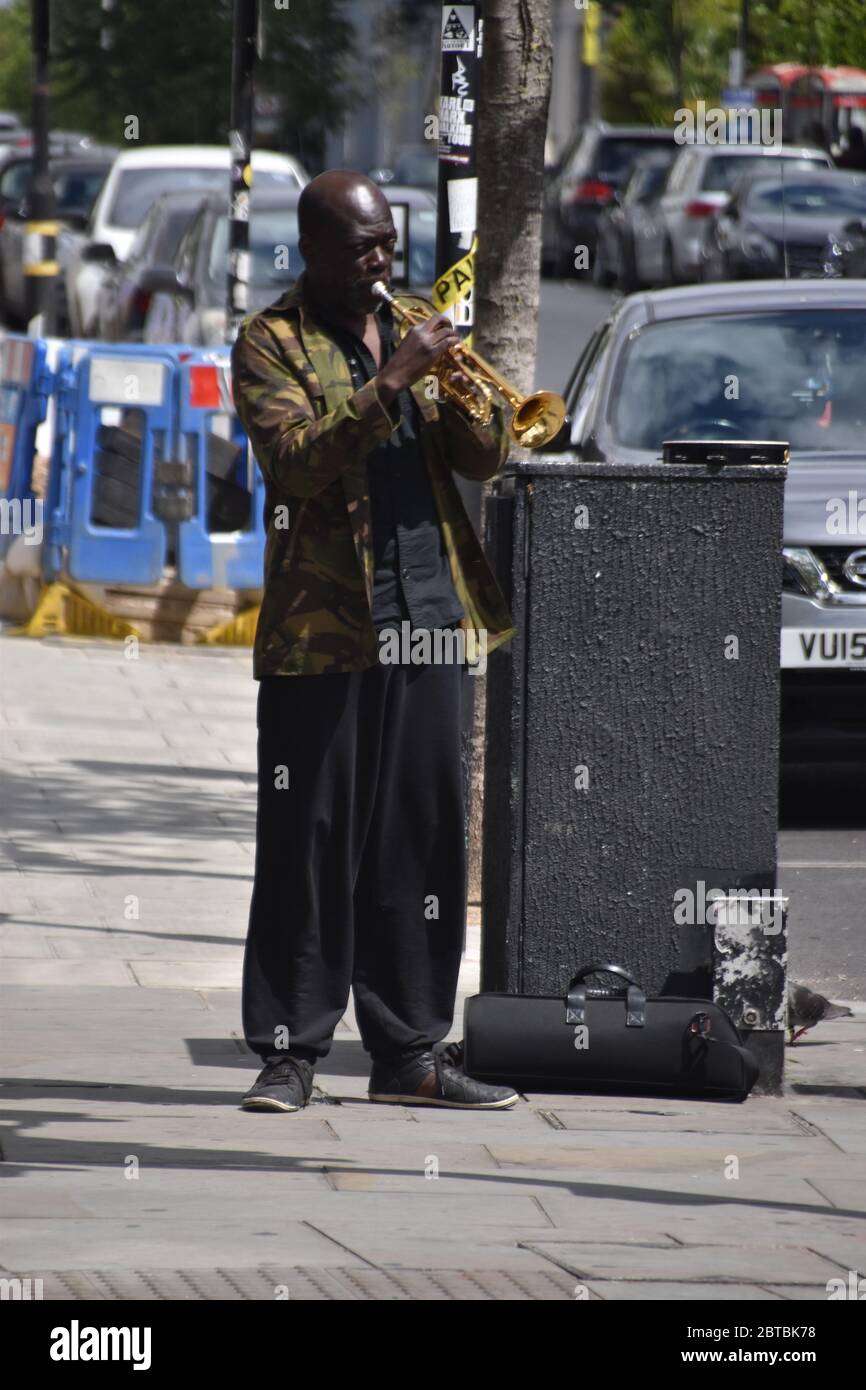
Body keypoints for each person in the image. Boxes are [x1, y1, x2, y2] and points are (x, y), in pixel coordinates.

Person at [230, 169, 519, 1114]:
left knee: (422, 843)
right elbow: (294, 463)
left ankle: (411, 1054)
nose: (383, 262)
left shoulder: (411, 321)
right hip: (326, 633)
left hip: (430, 619)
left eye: (388, 242)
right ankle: (289, 1053)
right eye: (363, 248)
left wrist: (472, 399)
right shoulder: (270, 340)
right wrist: (392, 380)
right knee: (308, 839)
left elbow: (482, 458)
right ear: (312, 249)